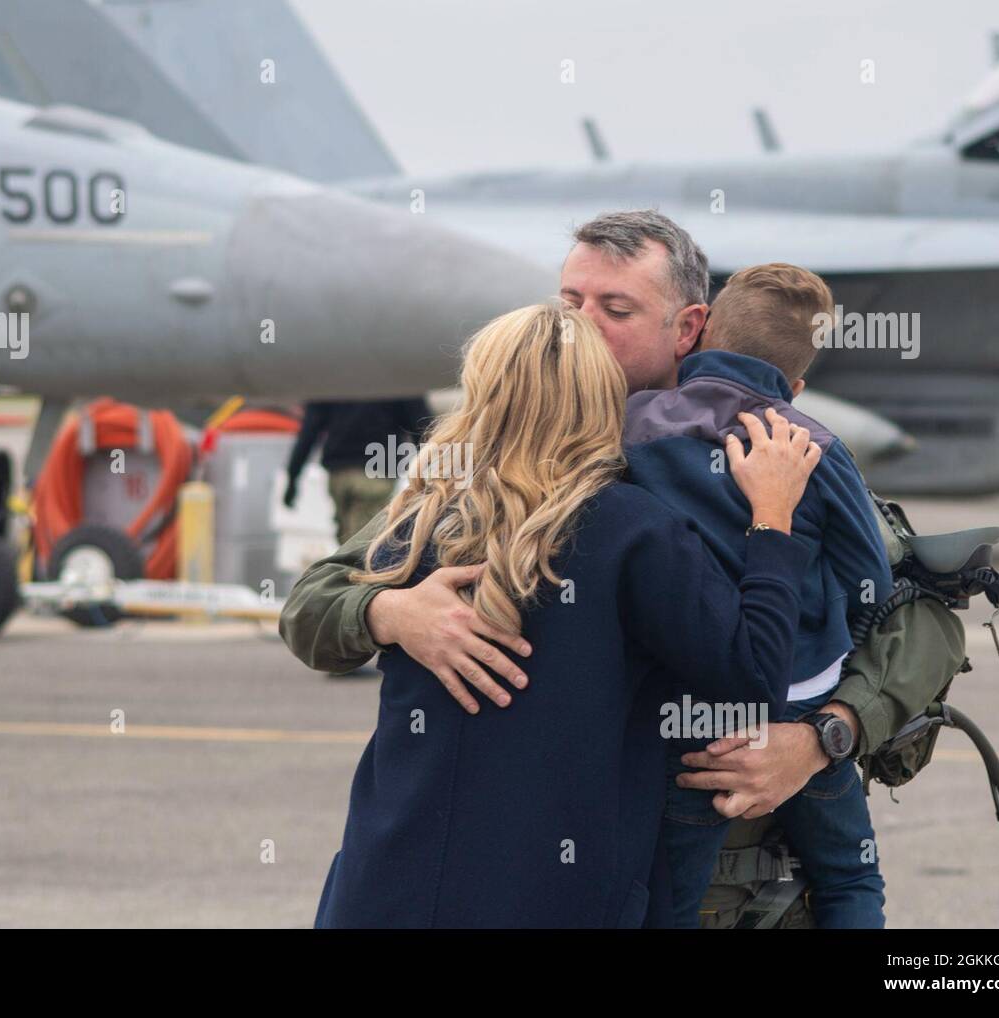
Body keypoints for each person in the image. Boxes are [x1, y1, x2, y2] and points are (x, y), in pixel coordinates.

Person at [312, 302, 820, 928]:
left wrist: (382, 609)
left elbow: (312, 604)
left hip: (382, 887)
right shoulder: (633, 530)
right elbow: (753, 678)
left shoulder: (418, 523)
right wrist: (772, 521)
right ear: (600, 397)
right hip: (553, 896)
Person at [624, 263, 891, 929]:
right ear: (796, 385)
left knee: (671, 903)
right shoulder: (812, 442)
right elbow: (872, 579)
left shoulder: (632, 426)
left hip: (692, 712)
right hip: (803, 701)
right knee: (849, 874)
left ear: (700, 333)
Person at [283, 398, 431, 544]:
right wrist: (431, 475)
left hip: (338, 473)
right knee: (364, 545)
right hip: (376, 473)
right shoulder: (396, 385)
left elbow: (309, 430)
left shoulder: (329, 384)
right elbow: (422, 429)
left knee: (348, 540)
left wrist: (293, 476)